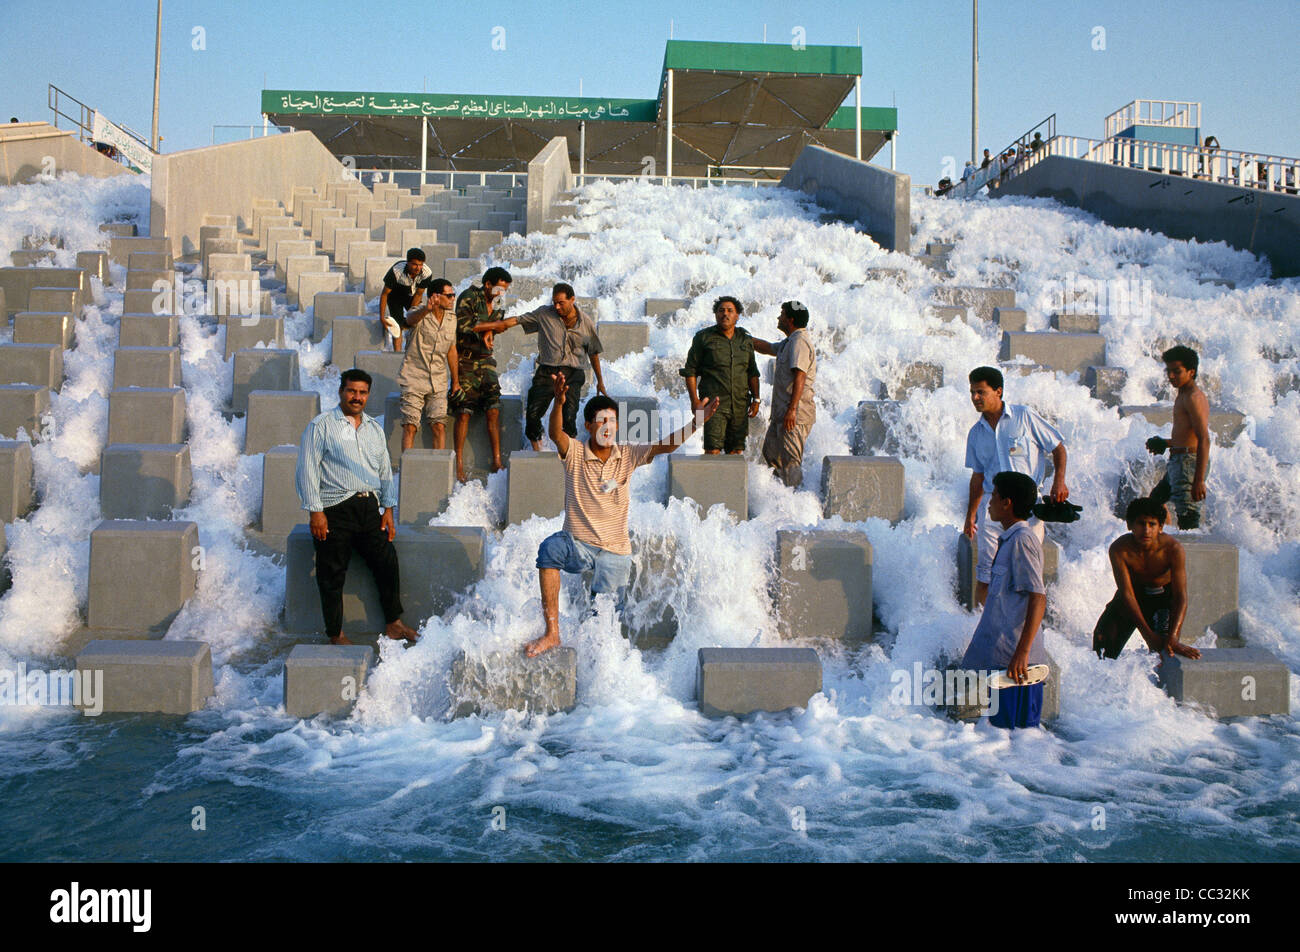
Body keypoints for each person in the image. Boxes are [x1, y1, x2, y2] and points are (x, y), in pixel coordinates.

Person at [524, 374, 720, 657]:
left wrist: (697, 422)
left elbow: (666, 445)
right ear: (588, 425)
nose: (608, 426)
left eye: (613, 421)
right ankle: (552, 633)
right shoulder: (575, 453)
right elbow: (555, 434)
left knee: (600, 625)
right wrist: (558, 401)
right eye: (602, 420)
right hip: (578, 545)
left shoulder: (628, 454)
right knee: (549, 549)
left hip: (615, 552)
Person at [295, 369, 419, 646]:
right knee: (331, 574)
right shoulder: (322, 425)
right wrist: (315, 511)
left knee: (386, 561)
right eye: (352, 391)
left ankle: (393, 623)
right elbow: (307, 470)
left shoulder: (374, 428)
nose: (357, 397)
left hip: (369, 509)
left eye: (362, 392)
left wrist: (388, 508)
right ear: (341, 391)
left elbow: (385, 470)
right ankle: (335, 634)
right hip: (335, 508)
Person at [964, 366, 1068, 608]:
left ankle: (1025, 633)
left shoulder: (1024, 416)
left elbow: (1059, 448)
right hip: (992, 508)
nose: (975, 398)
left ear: (998, 391)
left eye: (981, 392)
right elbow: (977, 477)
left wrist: (1059, 481)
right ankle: (987, 626)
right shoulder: (975, 434)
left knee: (1026, 573)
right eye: (972, 393)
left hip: (1027, 506)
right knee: (987, 574)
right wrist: (970, 515)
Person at [472, 282, 606, 451]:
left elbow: (593, 353)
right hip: (547, 372)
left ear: (572, 300)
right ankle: (538, 450)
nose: (556, 306)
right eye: (554, 302)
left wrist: (600, 381)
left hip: (573, 374)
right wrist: (489, 329)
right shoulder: (544, 314)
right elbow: (515, 321)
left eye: (561, 303)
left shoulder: (586, 323)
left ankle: (567, 455)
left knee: (569, 418)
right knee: (533, 414)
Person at [960, 472, 1049, 684]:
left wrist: (1022, 653)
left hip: (1014, 664)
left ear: (1007, 503)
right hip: (999, 659)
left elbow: (1038, 597)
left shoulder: (1022, 541)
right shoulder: (1009, 539)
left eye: (994, 496)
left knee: (1014, 717)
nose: (989, 502)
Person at [1093, 497, 1200, 660]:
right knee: (1102, 640)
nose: (1147, 530)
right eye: (1141, 523)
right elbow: (1127, 594)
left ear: (1161, 527)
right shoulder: (1119, 549)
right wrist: (1147, 635)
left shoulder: (1173, 549)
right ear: (1130, 525)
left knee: (1166, 649)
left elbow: (1180, 596)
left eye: (1152, 524)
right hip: (1134, 596)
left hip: (1163, 600)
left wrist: (1174, 636)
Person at [451, 266, 511, 481]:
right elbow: (464, 325)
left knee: (493, 407)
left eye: (505, 290)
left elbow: (496, 320)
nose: (502, 294)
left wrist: (489, 330)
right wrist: (493, 325)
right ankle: (458, 463)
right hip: (465, 360)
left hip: (485, 360)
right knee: (464, 411)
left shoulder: (498, 300)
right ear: (487, 285)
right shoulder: (469, 296)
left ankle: (496, 461)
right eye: (499, 289)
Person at [682, 296, 760, 456]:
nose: (725, 314)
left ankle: (731, 482)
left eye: (730, 311)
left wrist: (756, 399)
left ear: (737, 315)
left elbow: (752, 372)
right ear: (716, 314)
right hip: (714, 405)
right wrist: (695, 401)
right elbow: (690, 371)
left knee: (736, 452)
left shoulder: (745, 340)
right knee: (712, 450)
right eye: (721, 310)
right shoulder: (703, 338)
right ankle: (710, 481)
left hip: (739, 405)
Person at [752, 301, 815, 488]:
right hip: (782, 414)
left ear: (790, 320)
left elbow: (800, 376)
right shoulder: (790, 342)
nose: (778, 318)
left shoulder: (800, 342)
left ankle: (796, 499)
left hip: (794, 415)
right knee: (771, 453)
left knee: (791, 462)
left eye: (782, 314)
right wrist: (745, 338)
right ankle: (782, 495)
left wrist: (792, 410)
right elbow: (769, 348)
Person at [1146, 345, 1210, 530]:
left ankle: (1187, 553)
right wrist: (1165, 443)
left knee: (1188, 518)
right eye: (1169, 371)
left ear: (1191, 372)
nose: (1171, 376)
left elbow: (1204, 439)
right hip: (1179, 460)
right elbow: (1187, 436)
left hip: (1188, 464)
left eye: (1177, 371)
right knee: (1154, 503)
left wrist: (1199, 480)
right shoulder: (1183, 394)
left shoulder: (1193, 397)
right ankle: (1166, 542)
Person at [397, 277, 459, 452]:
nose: (453, 299)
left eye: (453, 295)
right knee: (410, 426)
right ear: (436, 297)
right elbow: (409, 319)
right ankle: (406, 471)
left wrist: (455, 381)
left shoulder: (452, 318)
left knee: (439, 426)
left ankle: (438, 470)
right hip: (413, 378)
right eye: (449, 295)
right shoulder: (420, 312)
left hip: (438, 379)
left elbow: (452, 350)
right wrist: (426, 309)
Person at [378, 248, 435, 352]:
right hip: (395, 296)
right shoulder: (396, 271)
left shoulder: (427, 273)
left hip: (412, 295)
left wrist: (411, 314)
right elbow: (385, 294)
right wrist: (381, 317)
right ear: (407, 263)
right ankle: (397, 354)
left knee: (418, 320)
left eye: (421, 264)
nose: (418, 268)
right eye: (414, 264)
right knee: (397, 327)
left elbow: (418, 294)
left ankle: (413, 351)